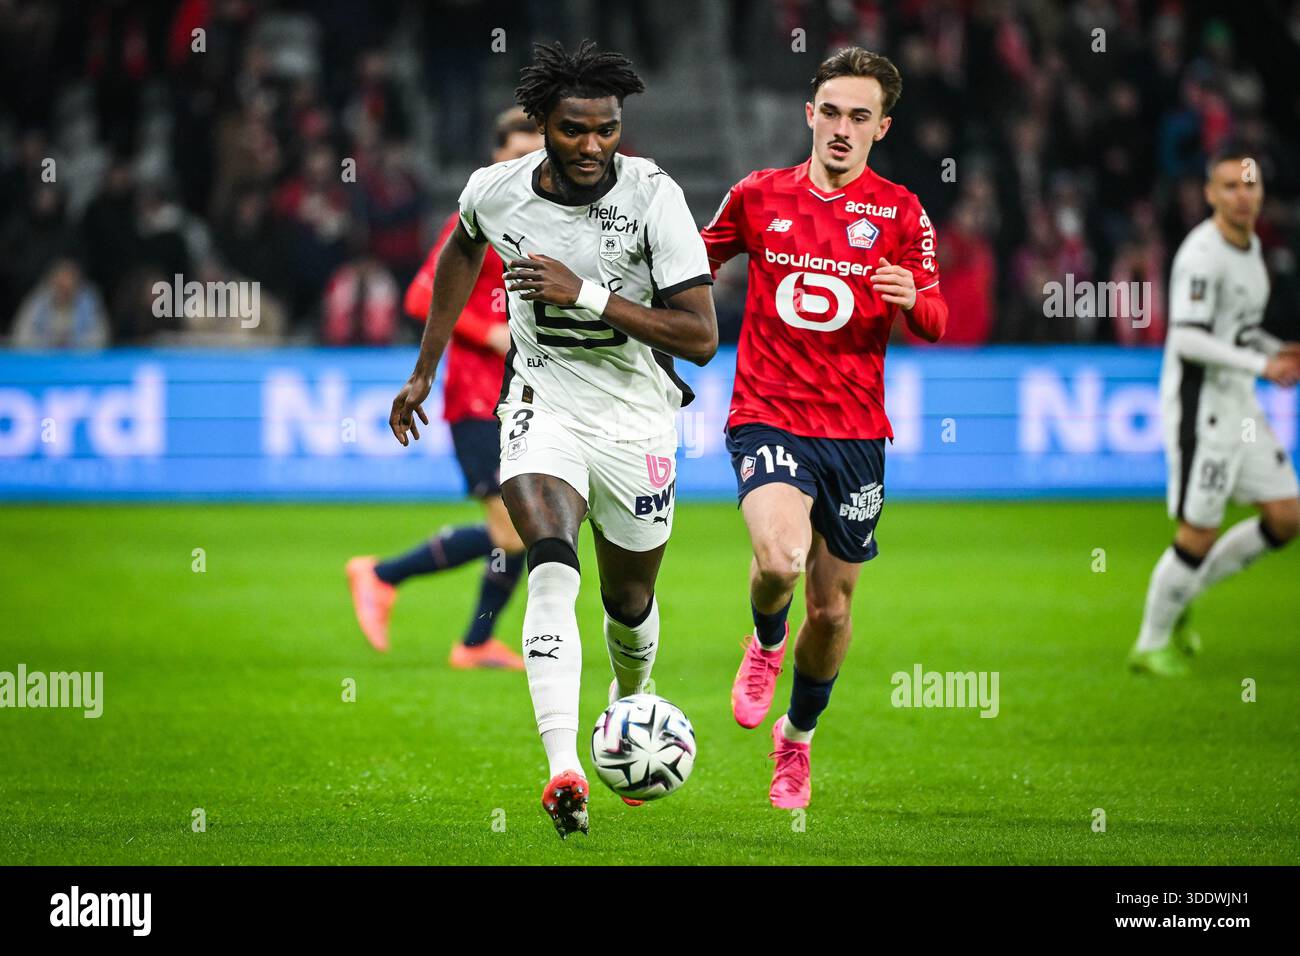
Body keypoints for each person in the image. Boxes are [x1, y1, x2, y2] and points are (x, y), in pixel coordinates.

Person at [388, 42, 717, 839]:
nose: (593, 146)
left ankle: (628, 703)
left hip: (637, 417)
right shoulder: (494, 193)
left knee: (628, 602)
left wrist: (589, 293)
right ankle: (563, 768)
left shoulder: (653, 198)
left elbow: (701, 335)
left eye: (607, 130)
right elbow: (463, 249)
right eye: (574, 130)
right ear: (542, 125)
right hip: (542, 403)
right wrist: (424, 371)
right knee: (549, 561)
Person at [701, 47, 948, 809]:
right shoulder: (758, 196)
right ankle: (765, 644)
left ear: (882, 127)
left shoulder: (904, 212)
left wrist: (913, 295)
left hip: (855, 432)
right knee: (780, 558)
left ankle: (796, 741)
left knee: (833, 610)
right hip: (767, 409)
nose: (842, 128)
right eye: (831, 112)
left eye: (859, 117)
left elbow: (938, 322)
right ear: (810, 115)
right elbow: (691, 266)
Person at [347, 108, 542, 670]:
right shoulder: (477, 217)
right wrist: (488, 332)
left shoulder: (548, 221)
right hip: (479, 402)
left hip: (532, 402)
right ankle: (388, 579)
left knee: (526, 531)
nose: (524, 163)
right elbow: (418, 298)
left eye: (534, 153)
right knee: (514, 533)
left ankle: (470, 639)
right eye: (514, 152)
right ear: (496, 156)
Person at [1128, 145, 1300, 676]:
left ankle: (1181, 596)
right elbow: (1186, 339)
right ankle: (1150, 642)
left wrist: (1275, 351)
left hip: (1238, 400)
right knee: (1197, 533)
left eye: (1250, 185)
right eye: (1230, 186)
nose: (1242, 195)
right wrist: (1260, 364)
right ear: (1209, 194)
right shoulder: (1201, 256)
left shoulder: (1250, 250)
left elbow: (1237, 328)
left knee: (1286, 515)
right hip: (1202, 409)